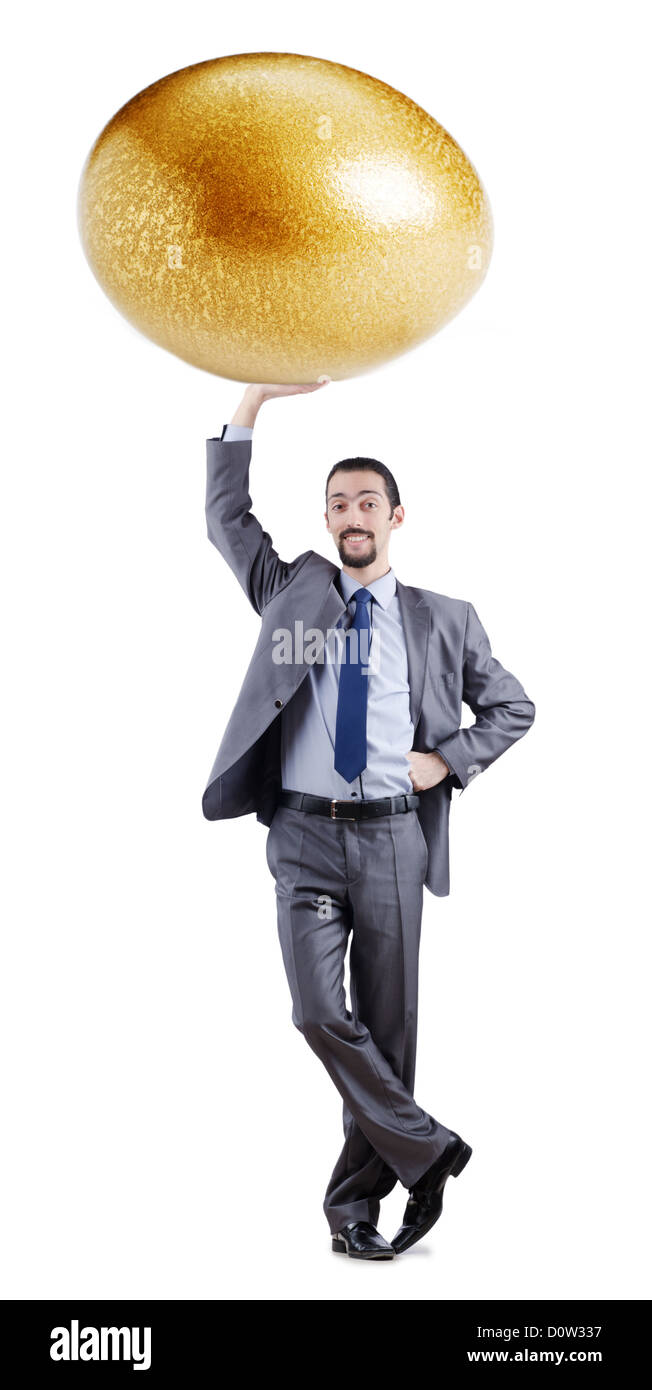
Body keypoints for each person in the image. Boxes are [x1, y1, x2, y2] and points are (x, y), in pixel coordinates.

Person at [201, 380, 535, 1260]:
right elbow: (228, 519)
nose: (352, 514)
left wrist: (448, 759)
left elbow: (513, 707)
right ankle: (427, 1152)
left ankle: (356, 1209)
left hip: (394, 835)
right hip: (305, 837)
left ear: (396, 517)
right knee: (318, 1012)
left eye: (367, 502)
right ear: (325, 519)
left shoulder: (441, 619)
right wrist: (252, 401)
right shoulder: (295, 595)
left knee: (388, 1031)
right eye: (337, 502)